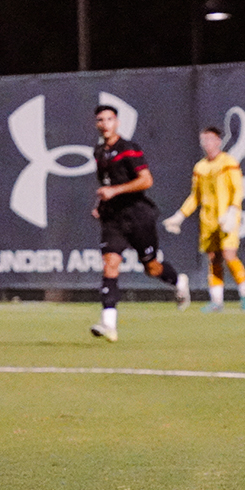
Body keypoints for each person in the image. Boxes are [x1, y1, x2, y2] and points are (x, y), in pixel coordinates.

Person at [90, 104, 191, 342]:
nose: (105, 124)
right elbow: (107, 183)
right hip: (114, 219)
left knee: (152, 267)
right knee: (110, 263)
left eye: (109, 119)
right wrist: (101, 206)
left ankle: (178, 281)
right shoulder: (99, 152)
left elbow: (146, 180)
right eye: (100, 120)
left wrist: (114, 191)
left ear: (117, 122)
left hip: (137, 216)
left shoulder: (129, 148)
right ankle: (109, 324)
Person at [162, 126, 245, 312]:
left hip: (227, 217)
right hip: (208, 220)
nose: (207, 143)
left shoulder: (228, 162)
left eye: (211, 139)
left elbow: (238, 188)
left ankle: (244, 295)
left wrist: (234, 210)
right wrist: (180, 216)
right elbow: (195, 196)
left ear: (218, 141)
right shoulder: (200, 167)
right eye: (204, 140)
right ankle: (217, 301)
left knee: (229, 255)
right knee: (213, 258)